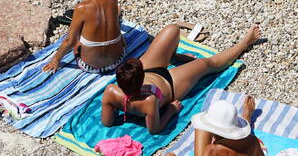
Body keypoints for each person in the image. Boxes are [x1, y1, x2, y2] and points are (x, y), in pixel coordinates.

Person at [100, 23, 260, 135]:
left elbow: (107, 122)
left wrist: (120, 105)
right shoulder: (149, 101)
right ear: (140, 78)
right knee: (206, 64)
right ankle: (245, 43)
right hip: (170, 84)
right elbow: (154, 129)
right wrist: (171, 110)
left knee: (172, 29)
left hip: (146, 75)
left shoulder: (110, 91)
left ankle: (172, 56)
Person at [42, 0, 125, 73]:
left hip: (91, 66)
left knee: (77, 37)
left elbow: (69, 41)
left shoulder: (81, 8)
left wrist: (56, 59)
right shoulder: (114, 2)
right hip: (117, 61)